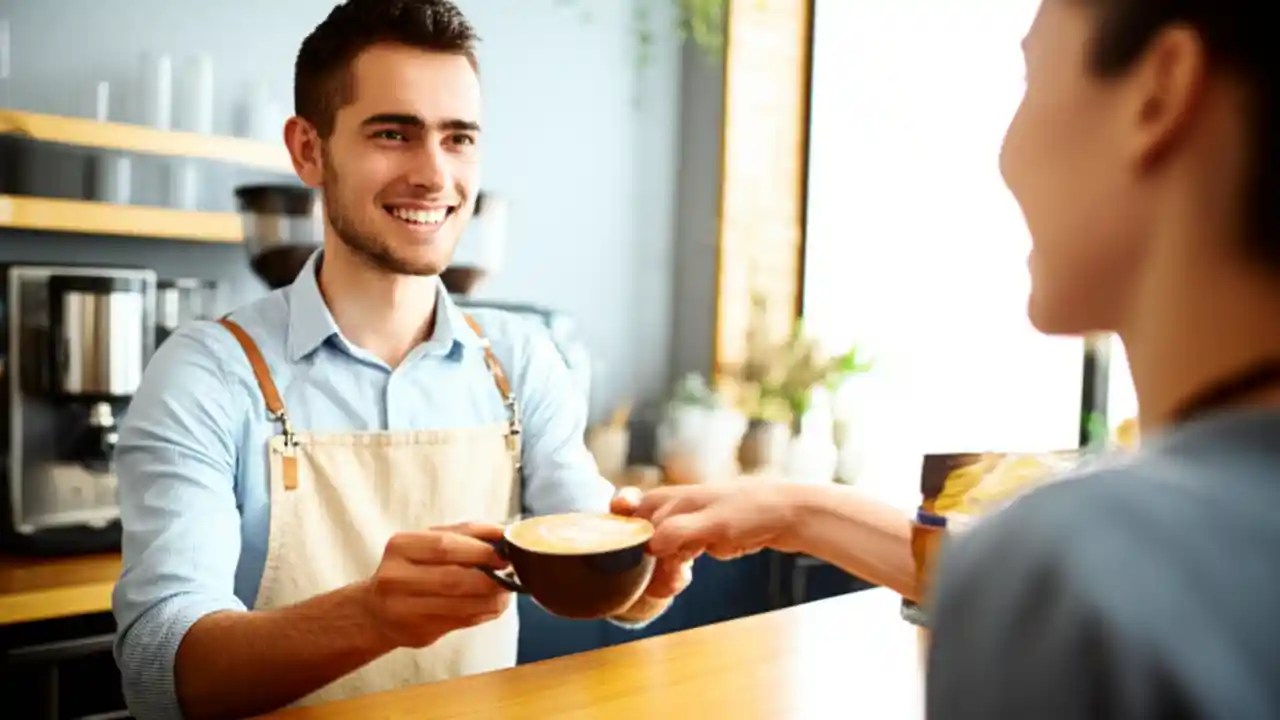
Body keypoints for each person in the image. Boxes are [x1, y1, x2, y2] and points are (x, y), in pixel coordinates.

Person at [637, 0, 1280, 717]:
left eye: (1033, 77)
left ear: (1160, 91)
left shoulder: (1071, 576)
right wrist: (798, 508)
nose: (1006, 155)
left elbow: (1064, 584)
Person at [111, 2, 690, 718]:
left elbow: (591, 557)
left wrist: (651, 574)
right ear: (308, 150)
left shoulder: (519, 361)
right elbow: (158, 671)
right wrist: (373, 616)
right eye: (393, 133)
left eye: (459, 139)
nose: (434, 175)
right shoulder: (207, 374)